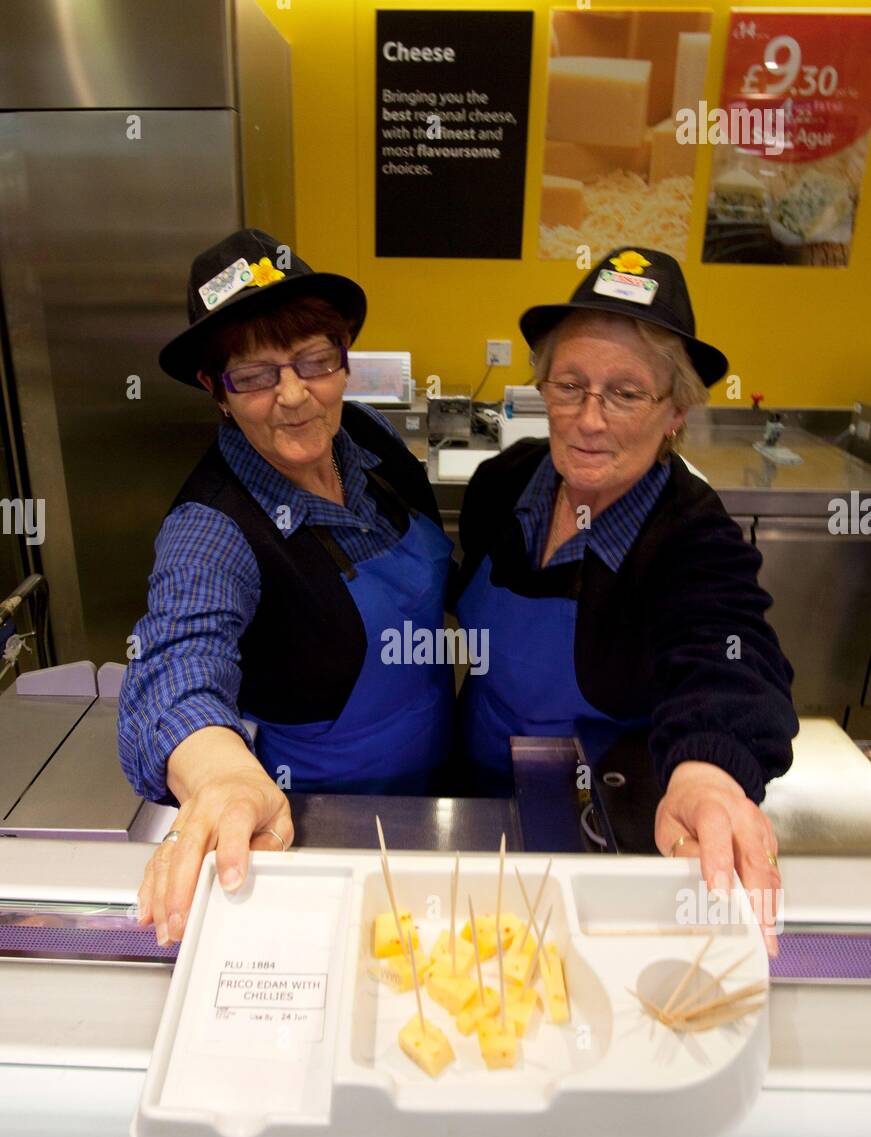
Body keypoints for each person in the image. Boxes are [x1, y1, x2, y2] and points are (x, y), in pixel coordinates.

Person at [454, 246, 799, 951]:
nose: (587, 420)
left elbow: (726, 651)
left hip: (599, 816)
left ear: (674, 412)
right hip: (468, 789)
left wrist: (706, 771)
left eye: (625, 393)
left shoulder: (691, 534)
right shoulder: (504, 482)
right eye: (568, 385)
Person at [119, 229, 453, 944]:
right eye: (256, 374)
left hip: (444, 787)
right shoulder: (209, 529)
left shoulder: (366, 439)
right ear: (215, 389)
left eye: (314, 362)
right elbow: (176, 662)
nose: (296, 397)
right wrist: (219, 778)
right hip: (320, 824)